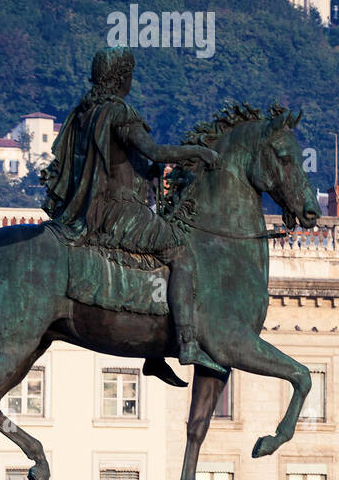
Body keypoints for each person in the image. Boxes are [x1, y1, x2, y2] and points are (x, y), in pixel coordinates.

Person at [42, 46, 225, 379]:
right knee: (181, 253)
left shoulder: (84, 113)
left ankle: (154, 350)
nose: (131, 81)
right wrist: (198, 152)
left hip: (89, 209)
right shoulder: (118, 113)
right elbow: (154, 150)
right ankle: (186, 342)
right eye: (129, 75)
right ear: (120, 78)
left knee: (155, 255)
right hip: (118, 209)